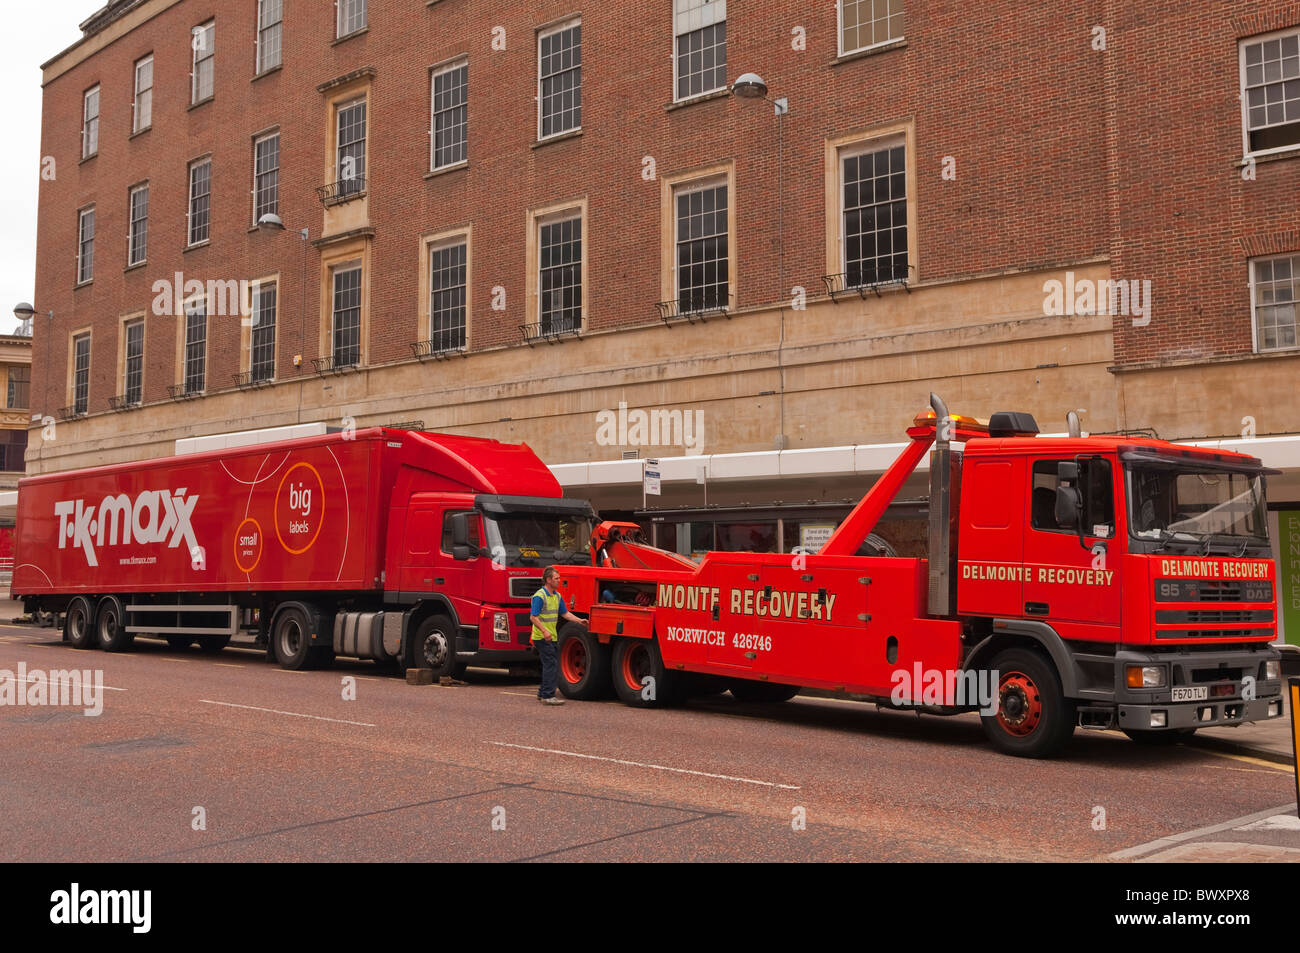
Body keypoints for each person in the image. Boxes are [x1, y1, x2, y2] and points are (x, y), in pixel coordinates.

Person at [530, 566, 582, 705]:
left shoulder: (557, 596)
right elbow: (533, 617)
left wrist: (579, 621)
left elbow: (565, 613)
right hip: (542, 637)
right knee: (551, 665)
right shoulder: (539, 596)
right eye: (556, 578)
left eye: (559, 578)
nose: (559, 581)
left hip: (551, 637)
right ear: (548, 580)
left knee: (550, 664)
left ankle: (543, 693)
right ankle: (548, 696)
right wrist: (544, 631)